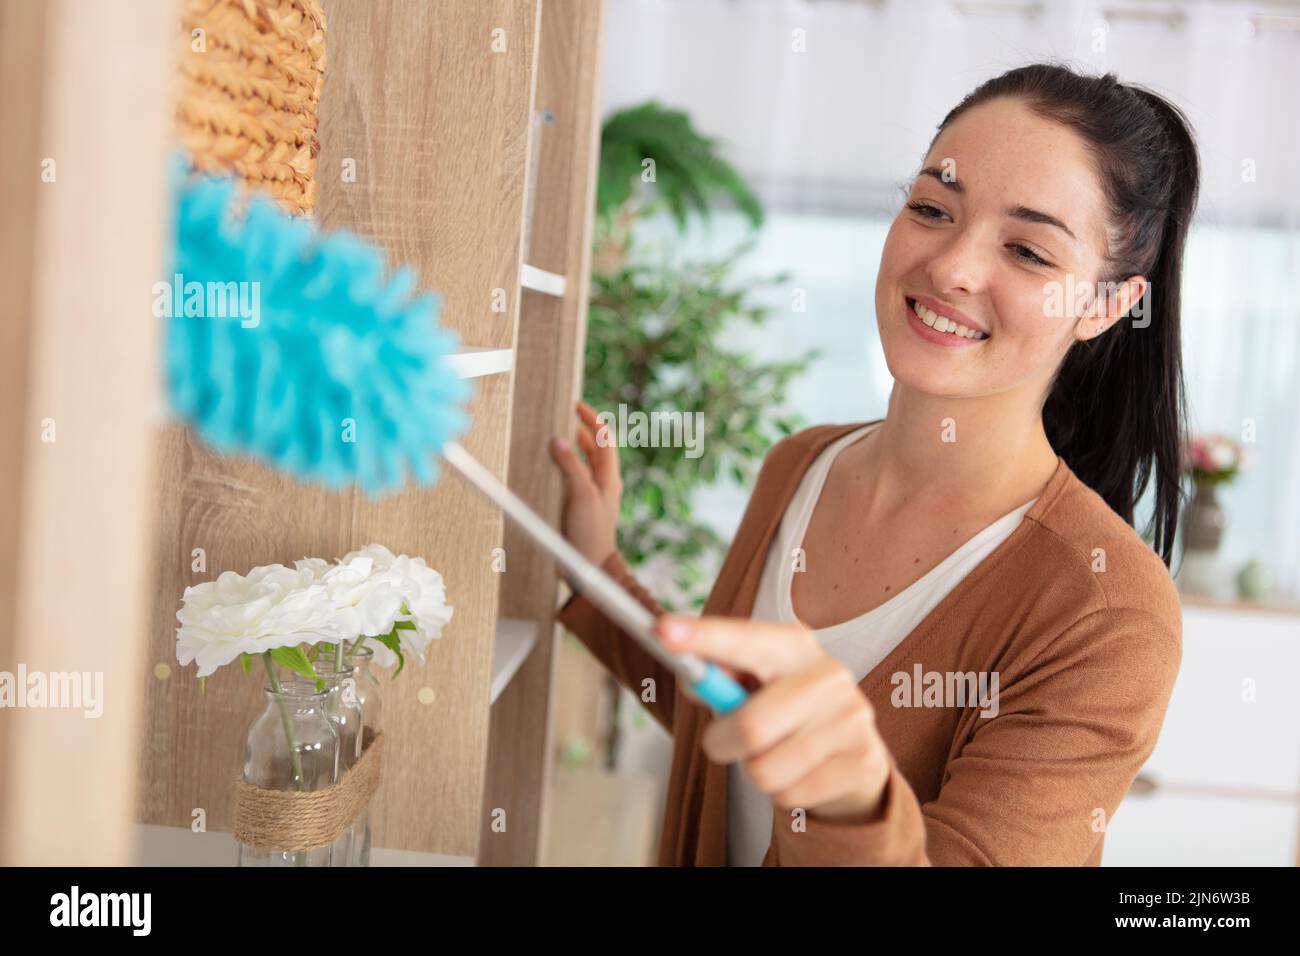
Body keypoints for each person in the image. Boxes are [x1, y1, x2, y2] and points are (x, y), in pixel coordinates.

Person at [549, 63, 1197, 866]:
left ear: (1105, 306)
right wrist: (595, 568)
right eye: (932, 208)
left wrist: (860, 801)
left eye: (1028, 251)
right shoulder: (802, 464)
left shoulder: (1107, 611)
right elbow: (728, 716)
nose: (953, 267)